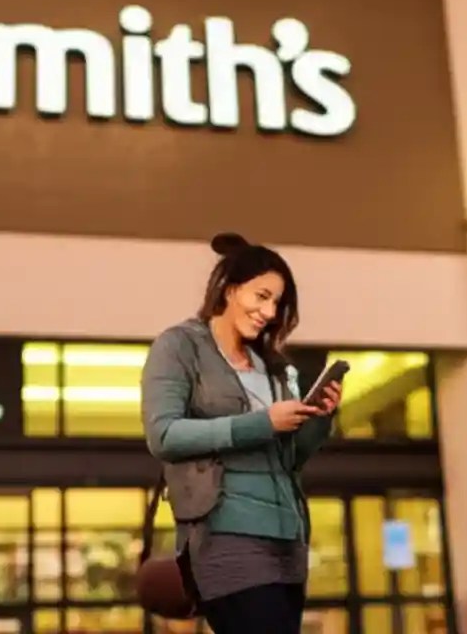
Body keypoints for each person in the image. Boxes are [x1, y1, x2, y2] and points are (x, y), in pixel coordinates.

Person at [140, 232, 342, 633]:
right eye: (261, 296)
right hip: (225, 535)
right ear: (230, 289)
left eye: (277, 303)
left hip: (288, 541)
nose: (269, 311)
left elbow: (289, 458)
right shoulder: (180, 346)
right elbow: (163, 435)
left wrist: (319, 418)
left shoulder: (273, 365)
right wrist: (262, 422)